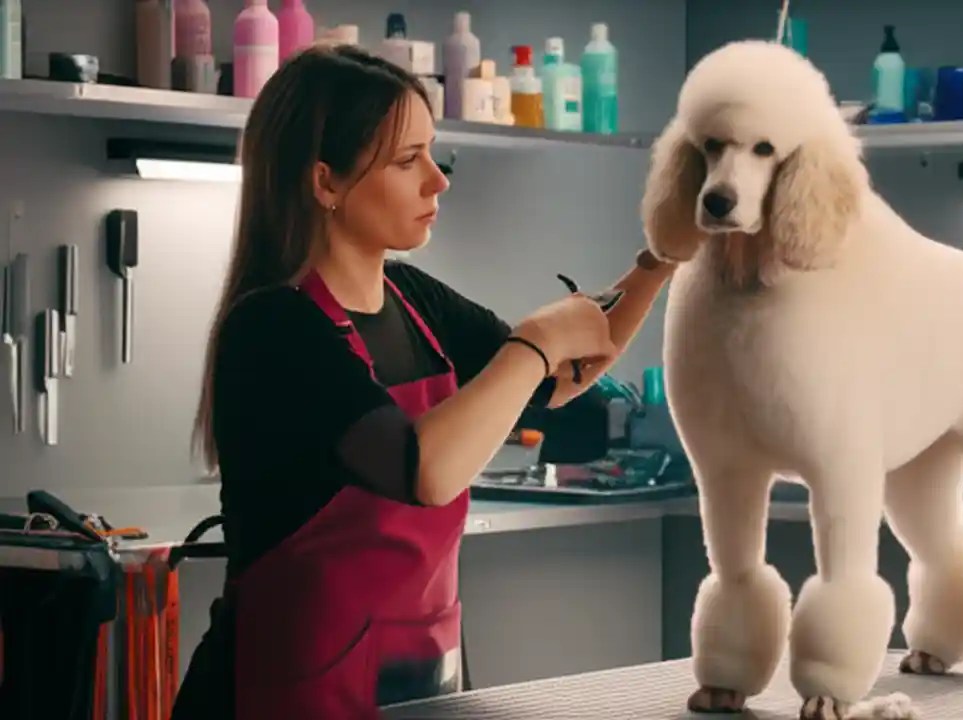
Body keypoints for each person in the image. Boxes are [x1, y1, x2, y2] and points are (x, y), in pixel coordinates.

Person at [171, 44, 674, 720]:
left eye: (434, 155)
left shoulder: (413, 301)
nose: (438, 181)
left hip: (420, 686)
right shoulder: (273, 328)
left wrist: (662, 257)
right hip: (283, 695)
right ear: (325, 182)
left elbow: (564, 376)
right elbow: (424, 469)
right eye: (408, 161)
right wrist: (535, 341)